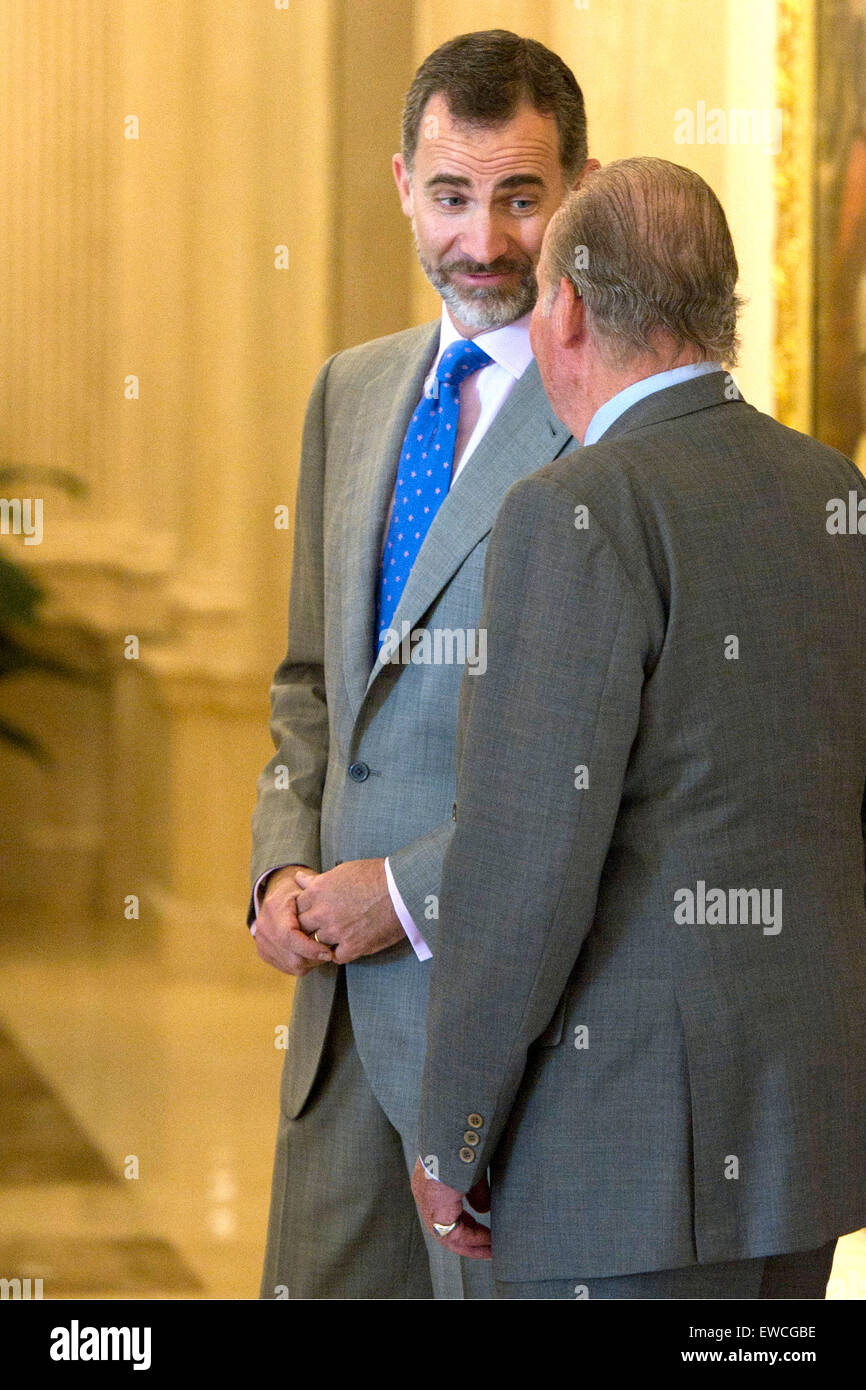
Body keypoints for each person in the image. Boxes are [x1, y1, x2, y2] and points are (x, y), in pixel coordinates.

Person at [412, 156, 866, 1300]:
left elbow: (521, 866)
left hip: (617, 1167)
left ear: (565, 307)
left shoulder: (572, 508)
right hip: (802, 1147)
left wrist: (453, 1134)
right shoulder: (834, 493)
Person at [249, 29, 599, 1300]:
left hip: (506, 1047)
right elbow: (309, 682)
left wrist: (397, 893)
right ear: (403, 185)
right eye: (451, 195)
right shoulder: (349, 392)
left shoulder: (607, 422)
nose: (482, 241)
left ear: (580, 191)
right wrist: (279, 865)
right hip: (335, 1035)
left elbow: (605, 763)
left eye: (521, 198)